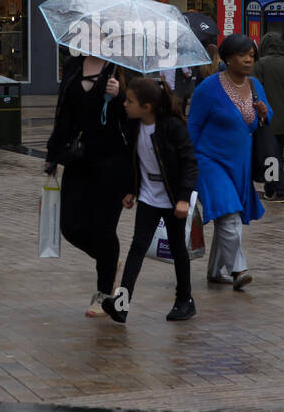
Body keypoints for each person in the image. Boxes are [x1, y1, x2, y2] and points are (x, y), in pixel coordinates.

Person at [101, 77, 200, 324]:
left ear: (146, 107)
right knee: (137, 247)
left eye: (130, 101)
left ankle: (184, 300)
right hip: (148, 198)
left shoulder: (173, 127)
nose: (125, 104)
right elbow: (135, 162)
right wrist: (130, 190)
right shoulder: (134, 125)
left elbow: (190, 163)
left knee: (178, 250)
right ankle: (121, 305)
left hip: (173, 199)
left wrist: (184, 199)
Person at [44, 52, 130, 316]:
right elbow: (63, 113)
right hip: (78, 159)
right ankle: (109, 260)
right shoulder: (72, 66)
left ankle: (103, 293)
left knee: (104, 229)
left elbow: (135, 116)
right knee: (69, 225)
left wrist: (120, 97)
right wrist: (52, 154)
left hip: (112, 164)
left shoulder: (121, 68)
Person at [187, 33, 270, 291]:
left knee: (227, 215)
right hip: (209, 161)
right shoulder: (208, 89)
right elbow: (193, 127)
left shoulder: (256, 86)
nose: (248, 60)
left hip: (240, 164)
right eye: (241, 55)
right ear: (227, 59)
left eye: (251, 55)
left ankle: (215, 271)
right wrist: (187, 166)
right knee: (229, 213)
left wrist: (264, 114)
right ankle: (239, 269)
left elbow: (259, 122)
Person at [252, 31, 284, 202]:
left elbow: (254, 90)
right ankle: (271, 189)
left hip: (266, 118)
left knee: (270, 155)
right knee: (276, 153)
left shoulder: (260, 65)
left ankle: (279, 190)